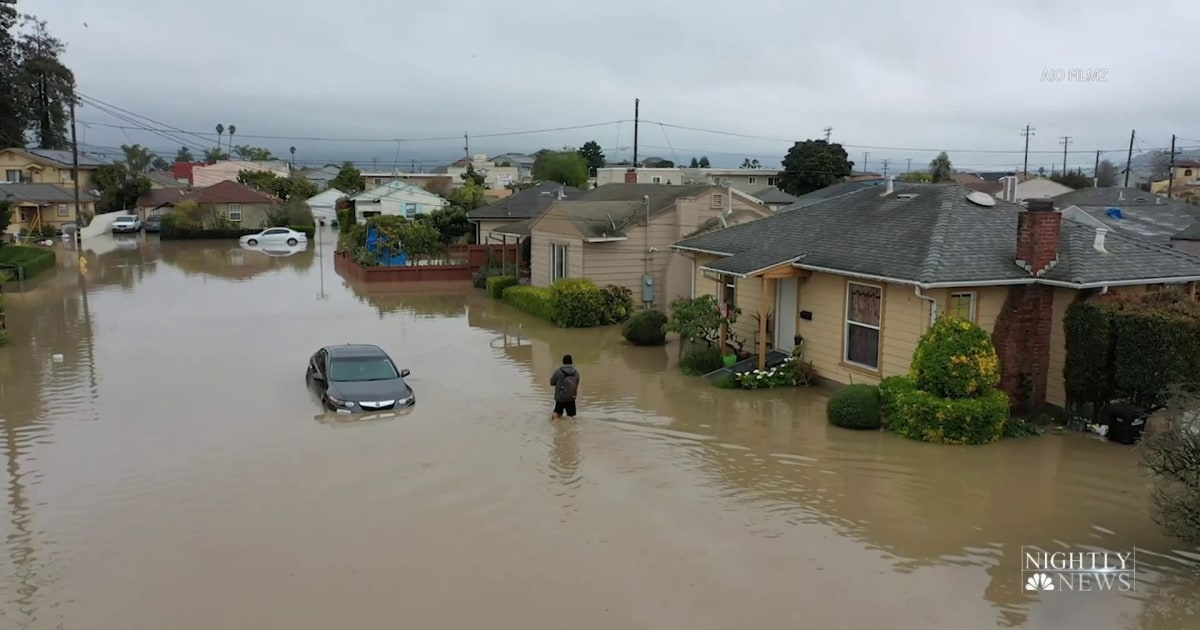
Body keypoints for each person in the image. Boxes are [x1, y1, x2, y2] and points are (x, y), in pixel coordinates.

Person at [549, 354, 580, 420]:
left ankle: (555, 425)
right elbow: (577, 383)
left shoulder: (558, 372)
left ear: (563, 362)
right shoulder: (576, 372)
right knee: (572, 418)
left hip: (561, 398)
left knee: (555, 416)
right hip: (571, 398)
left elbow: (551, 382)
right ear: (571, 362)